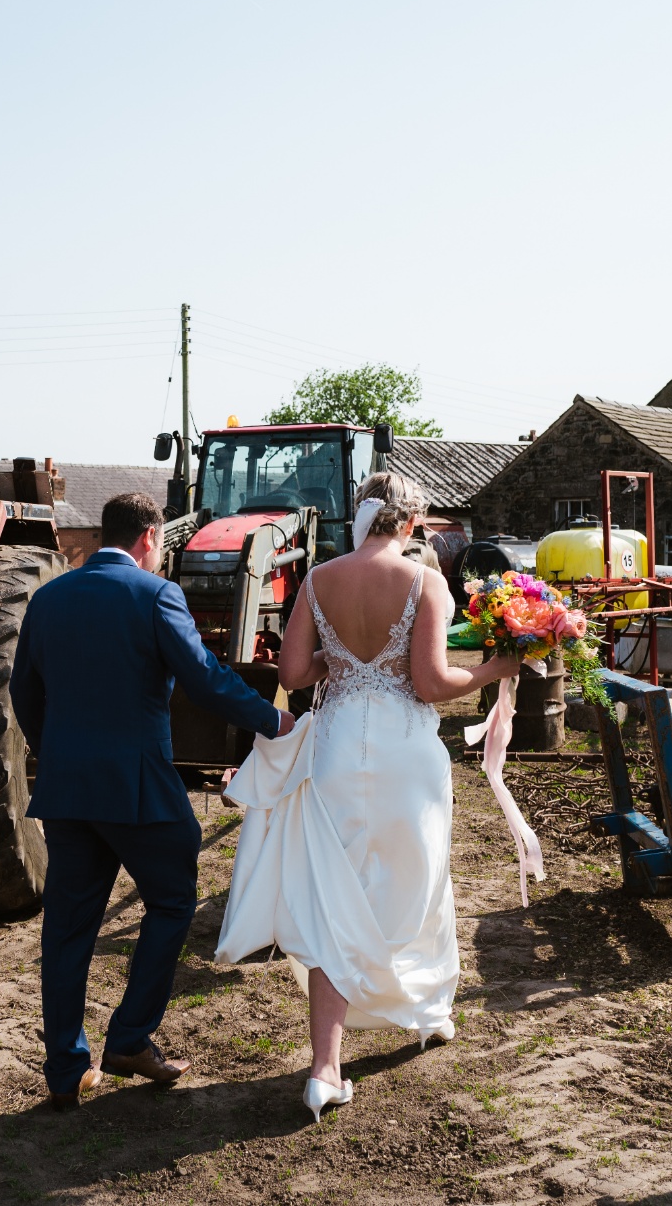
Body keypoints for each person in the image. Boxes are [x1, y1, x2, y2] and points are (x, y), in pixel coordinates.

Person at [214, 471, 520, 1121]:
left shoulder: (320, 578)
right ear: (411, 523)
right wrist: (495, 669)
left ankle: (326, 1067)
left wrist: (341, 661)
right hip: (405, 754)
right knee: (420, 881)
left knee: (334, 898)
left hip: (336, 750)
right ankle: (428, 1011)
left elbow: (293, 673)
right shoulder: (425, 579)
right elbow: (432, 682)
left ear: (361, 513)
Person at [11, 491, 295, 1112]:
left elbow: (23, 691)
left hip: (67, 789)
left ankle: (65, 1070)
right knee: (172, 901)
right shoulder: (156, 594)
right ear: (148, 538)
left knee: (66, 929)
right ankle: (131, 1038)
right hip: (137, 786)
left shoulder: (48, 598)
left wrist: (54, 750)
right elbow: (204, 679)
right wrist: (274, 721)